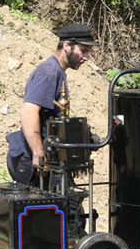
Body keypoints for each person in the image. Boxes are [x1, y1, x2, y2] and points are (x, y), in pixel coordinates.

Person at [6, 23, 100, 185]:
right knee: (64, 206)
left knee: (66, 204)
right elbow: (28, 112)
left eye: (88, 52)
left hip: (44, 155)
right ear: (66, 46)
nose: (86, 58)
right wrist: (38, 154)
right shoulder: (49, 72)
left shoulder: (56, 71)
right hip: (30, 157)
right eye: (83, 51)